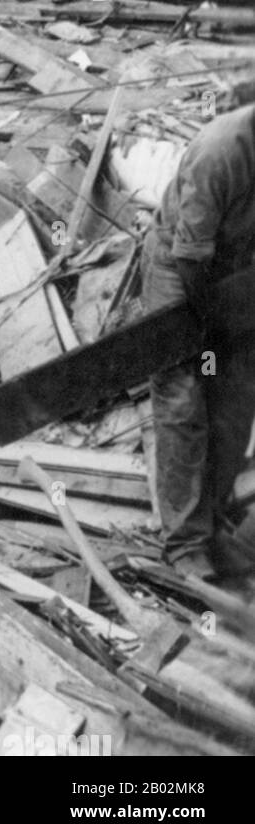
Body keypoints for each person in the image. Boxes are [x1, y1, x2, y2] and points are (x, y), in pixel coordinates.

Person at [140, 105, 255, 583]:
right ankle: (185, 542)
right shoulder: (220, 150)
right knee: (186, 397)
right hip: (180, 265)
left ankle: (213, 523)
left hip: (239, 265)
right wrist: (211, 329)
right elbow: (191, 255)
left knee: (236, 396)